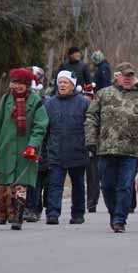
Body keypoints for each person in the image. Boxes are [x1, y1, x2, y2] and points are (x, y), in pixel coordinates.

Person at [85, 62, 138, 233]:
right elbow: (91, 117)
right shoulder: (104, 95)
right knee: (107, 186)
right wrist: (91, 140)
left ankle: (119, 219)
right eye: (124, 75)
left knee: (125, 186)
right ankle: (113, 212)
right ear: (117, 76)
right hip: (106, 148)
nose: (127, 79)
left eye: (130, 76)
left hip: (130, 150)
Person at [0, 68, 49, 230]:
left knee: (21, 184)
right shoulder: (6, 99)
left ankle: (18, 216)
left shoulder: (36, 102)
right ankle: (5, 212)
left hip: (26, 149)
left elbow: (40, 126)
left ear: (28, 85)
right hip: (5, 147)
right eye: (15, 83)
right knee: (5, 181)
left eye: (22, 83)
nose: (18, 86)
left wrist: (33, 145)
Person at [44, 71, 90, 225]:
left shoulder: (83, 103)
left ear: (73, 85)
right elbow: (44, 128)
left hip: (78, 151)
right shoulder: (49, 104)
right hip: (56, 151)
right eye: (60, 82)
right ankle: (52, 213)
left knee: (78, 185)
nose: (62, 85)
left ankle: (78, 213)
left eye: (66, 82)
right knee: (55, 184)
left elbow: (90, 126)